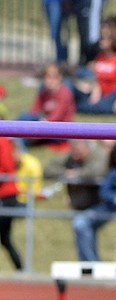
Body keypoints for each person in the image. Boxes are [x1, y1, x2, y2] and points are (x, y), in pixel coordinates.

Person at [73, 25, 116, 116]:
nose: (101, 40)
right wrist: (94, 93)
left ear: (113, 40)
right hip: (103, 94)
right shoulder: (100, 57)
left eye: (104, 38)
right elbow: (98, 81)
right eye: (101, 37)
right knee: (71, 87)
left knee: (92, 107)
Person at [42, 139, 108, 213]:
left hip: (98, 203)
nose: (75, 157)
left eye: (79, 152)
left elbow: (98, 171)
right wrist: (66, 173)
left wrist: (77, 174)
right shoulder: (70, 156)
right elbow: (48, 169)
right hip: (77, 204)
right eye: (73, 151)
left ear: (87, 148)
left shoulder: (99, 154)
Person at [18, 63, 76, 143]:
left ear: (59, 78)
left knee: (25, 122)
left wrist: (40, 126)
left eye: (53, 77)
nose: (49, 81)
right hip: (45, 123)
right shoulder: (44, 93)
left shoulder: (64, 93)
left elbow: (57, 116)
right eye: (47, 77)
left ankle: (14, 138)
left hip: (60, 128)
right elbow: (34, 110)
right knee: (25, 117)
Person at [0, 131, 23, 270]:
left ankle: (21, 269)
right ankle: (21, 268)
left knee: (5, 238)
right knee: (5, 239)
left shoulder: (2, 141)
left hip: (6, 195)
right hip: (6, 194)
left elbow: (7, 167)